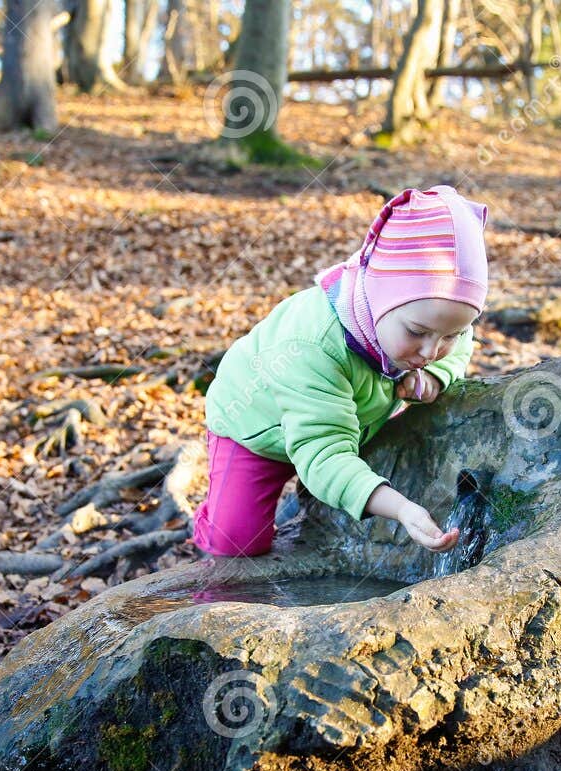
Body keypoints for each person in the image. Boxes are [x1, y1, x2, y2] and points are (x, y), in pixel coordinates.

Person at [192, 183, 489, 557]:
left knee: (337, 491)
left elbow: (462, 342)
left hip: (344, 421)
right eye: (417, 333)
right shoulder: (311, 347)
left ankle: (304, 501)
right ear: (378, 300)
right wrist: (401, 509)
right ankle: (209, 521)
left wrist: (436, 374)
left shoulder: (426, 319)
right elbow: (325, 453)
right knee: (236, 541)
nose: (431, 350)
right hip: (255, 428)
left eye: (450, 333)